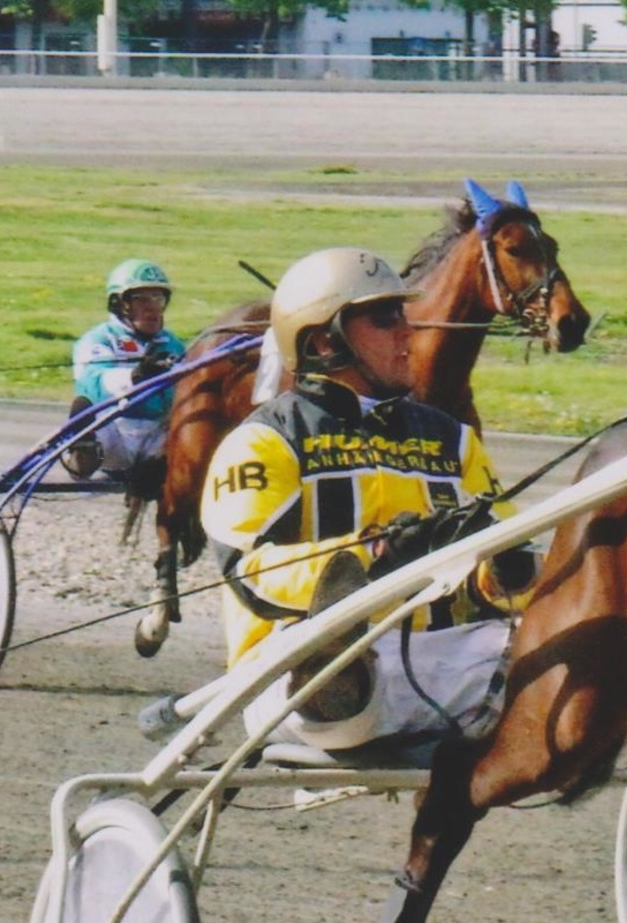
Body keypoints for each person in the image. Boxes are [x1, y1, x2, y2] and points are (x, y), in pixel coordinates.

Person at [201, 247, 537, 754]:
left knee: (565, 642)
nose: (408, 331)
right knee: (334, 665)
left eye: (402, 315)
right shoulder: (265, 442)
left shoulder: (454, 441)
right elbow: (252, 574)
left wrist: (506, 572)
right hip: (290, 670)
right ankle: (334, 672)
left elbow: (509, 567)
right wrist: (372, 557)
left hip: (440, 664)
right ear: (323, 341)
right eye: (384, 319)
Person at [66, 258, 186, 478]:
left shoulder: (174, 345)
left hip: (158, 436)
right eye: (141, 300)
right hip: (114, 432)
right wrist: (134, 376)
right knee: (92, 417)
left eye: (158, 298)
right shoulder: (99, 339)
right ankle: (83, 454)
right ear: (119, 304)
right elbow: (91, 382)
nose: (152, 308)